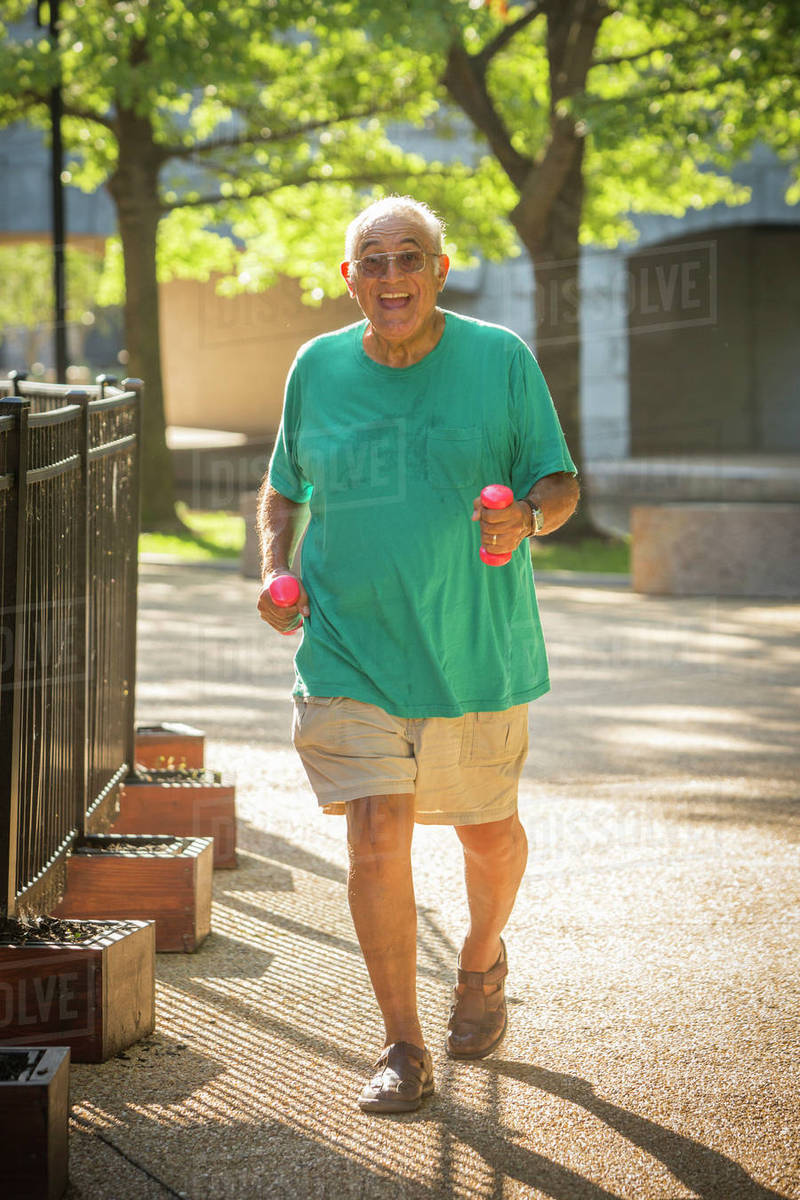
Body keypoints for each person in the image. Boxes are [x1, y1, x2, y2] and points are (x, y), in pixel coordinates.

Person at [256, 195, 579, 1114]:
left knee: (488, 834)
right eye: (373, 260)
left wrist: (527, 517)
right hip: (350, 646)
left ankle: (480, 963)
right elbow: (284, 490)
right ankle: (401, 1043)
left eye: (410, 258)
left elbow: (557, 480)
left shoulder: (500, 360)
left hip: (472, 645)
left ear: (441, 270)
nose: (391, 276)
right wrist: (279, 569)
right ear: (348, 276)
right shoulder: (316, 367)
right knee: (376, 835)